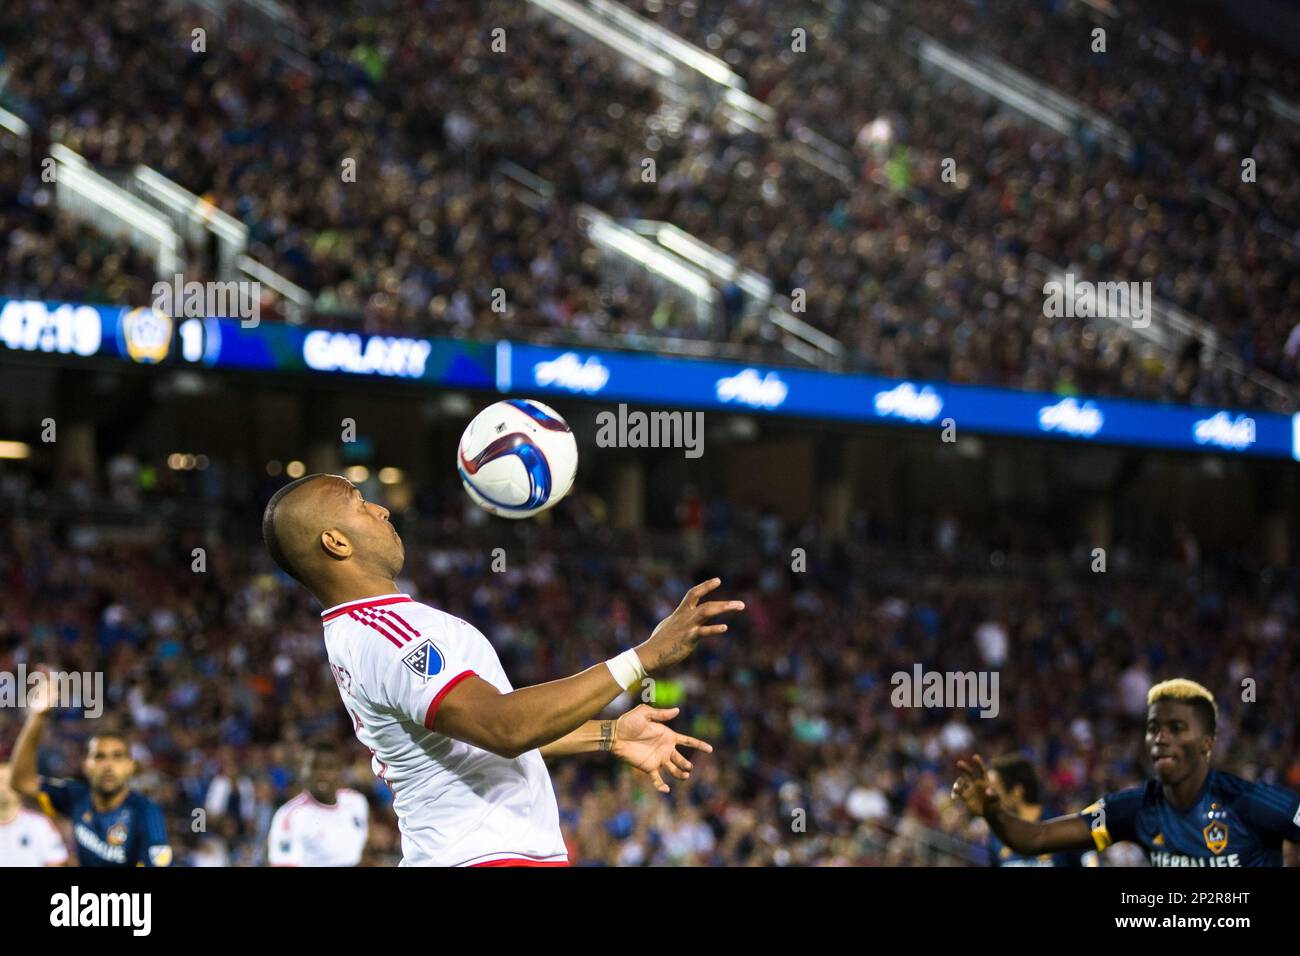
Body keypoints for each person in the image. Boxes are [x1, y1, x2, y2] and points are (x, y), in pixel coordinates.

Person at [261, 473, 743, 866]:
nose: (382, 509)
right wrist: (643, 658)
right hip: (481, 857)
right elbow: (504, 726)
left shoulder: (368, 630)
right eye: (360, 502)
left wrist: (607, 735)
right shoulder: (387, 633)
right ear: (336, 541)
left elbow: (476, 738)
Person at [954, 679, 1300, 867]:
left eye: (1177, 728)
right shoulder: (1134, 808)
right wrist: (992, 811)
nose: (1161, 738)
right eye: (1154, 728)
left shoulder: (1252, 803)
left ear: (1206, 742)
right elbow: (1036, 839)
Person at [9, 688, 172, 867]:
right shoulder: (77, 797)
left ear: (130, 767)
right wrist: (38, 718)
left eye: (117, 757)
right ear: (86, 764)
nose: (109, 766)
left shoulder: (145, 811)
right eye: (100, 757)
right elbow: (21, 781)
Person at [268, 740, 370, 867]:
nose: (322, 774)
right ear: (303, 771)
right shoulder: (290, 816)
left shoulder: (356, 801)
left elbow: (362, 850)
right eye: (314, 767)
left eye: (329, 767)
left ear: (340, 771)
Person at [0, 762, 69, 866]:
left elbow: (57, 862)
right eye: (0, 781)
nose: (4, 787)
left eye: (10, 781)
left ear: (19, 784)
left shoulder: (40, 824)